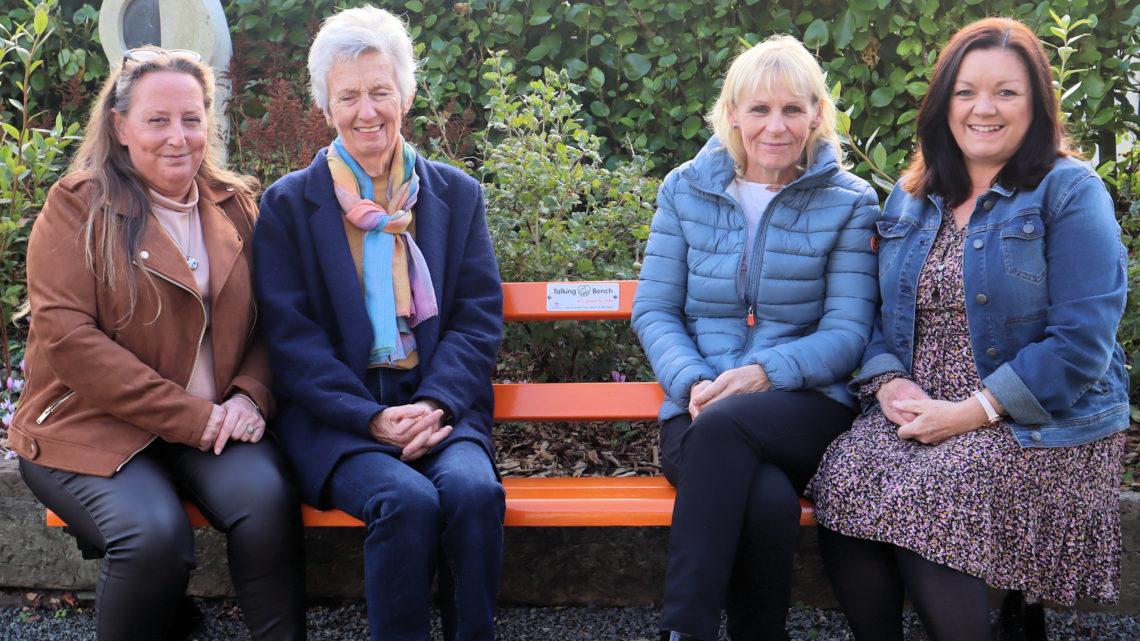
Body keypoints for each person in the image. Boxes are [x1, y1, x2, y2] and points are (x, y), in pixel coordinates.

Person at [806, 17, 1129, 641]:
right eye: (966, 92)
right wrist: (890, 384)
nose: (984, 108)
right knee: (843, 479)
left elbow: (1082, 343)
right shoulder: (912, 195)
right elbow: (878, 317)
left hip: (1038, 415)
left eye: (1006, 92)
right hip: (921, 406)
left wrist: (974, 410)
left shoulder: (1069, 192)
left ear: (1035, 103)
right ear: (943, 104)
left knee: (938, 491)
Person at [9, 47, 306, 640]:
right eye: (157, 120)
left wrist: (250, 395)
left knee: (268, 502)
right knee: (152, 539)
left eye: (192, 119)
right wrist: (193, 418)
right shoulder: (76, 207)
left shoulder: (236, 204)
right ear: (119, 128)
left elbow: (276, 321)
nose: (179, 137)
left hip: (215, 422)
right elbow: (71, 342)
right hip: (89, 425)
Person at [251, 6, 505, 641]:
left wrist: (436, 403)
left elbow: (477, 319)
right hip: (338, 420)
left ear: (407, 94)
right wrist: (371, 419)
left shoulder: (456, 195)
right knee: (406, 500)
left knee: (474, 494)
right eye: (349, 96)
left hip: (438, 406)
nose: (367, 111)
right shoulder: (287, 204)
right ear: (325, 106)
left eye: (380, 91)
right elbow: (291, 338)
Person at [632, 35, 880, 641]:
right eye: (760, 110)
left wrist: (763, 373)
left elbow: (848, 332)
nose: (776, 126)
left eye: (793, 109)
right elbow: (656, 310)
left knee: (728, 425)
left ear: (817, 115)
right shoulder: (685, 189)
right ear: (732, 113)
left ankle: (682, 629)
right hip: (697, 405)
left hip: (802, 406)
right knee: (766, 501)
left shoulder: (850, 202)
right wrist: (695, 381)